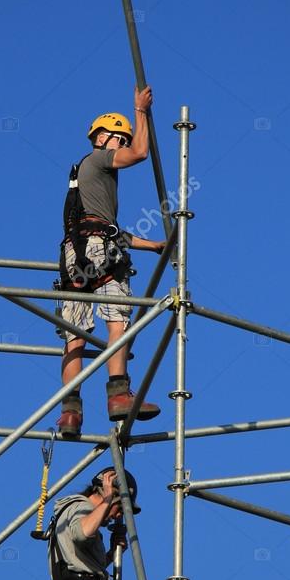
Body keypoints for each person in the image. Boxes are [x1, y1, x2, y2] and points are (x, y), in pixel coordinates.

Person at [57, 85, 166, 438]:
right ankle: (119, 394)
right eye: (118, 138)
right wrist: (141, 112)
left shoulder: (86, 180)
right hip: (99, 249)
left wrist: (154, 246)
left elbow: (112, 232)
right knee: (117, 320)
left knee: (75, 337)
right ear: (102, 137)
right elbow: (140, 153)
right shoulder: (99, 159)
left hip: (75, 256)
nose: (121, 144)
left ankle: (70, 413)